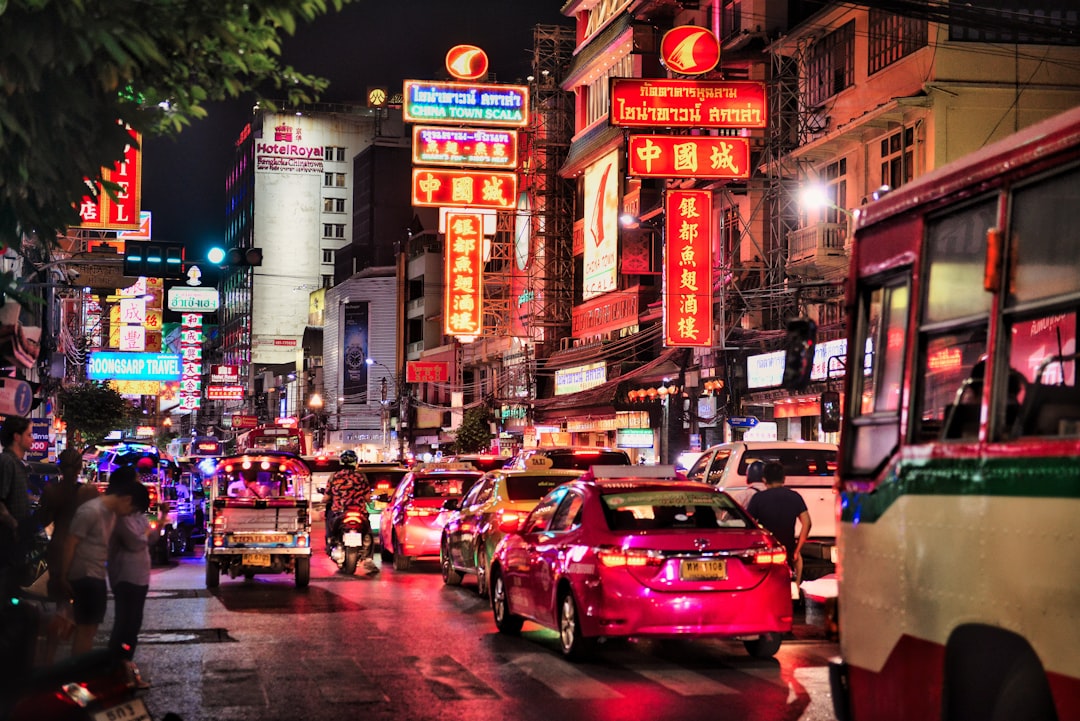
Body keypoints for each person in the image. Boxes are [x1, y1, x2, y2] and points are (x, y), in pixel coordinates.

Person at [58, 467, 148, 655]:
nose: (128, 514)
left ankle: (80, 669)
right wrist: (63, 576)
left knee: (88, 630)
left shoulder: (111, 513)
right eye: (131, 509)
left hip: (96, 575)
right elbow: (70, 542)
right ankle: (78, 670)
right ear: (127, 499)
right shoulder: (91, 510)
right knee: (85, 630)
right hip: (85, 575)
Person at [36, 448, 100, 663]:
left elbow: (43, 521)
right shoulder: (88, 492)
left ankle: (48, 659)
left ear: (59, 468)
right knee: (82, 612)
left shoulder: (52, 491)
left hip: (58, 548)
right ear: (80, 467)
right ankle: (76, 661)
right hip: (81, 553)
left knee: (62, 604)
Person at [107, 475, 151, 687]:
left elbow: (148, 537)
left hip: (141, 576)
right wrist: (145, 535)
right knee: (124, 624)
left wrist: (147, 533)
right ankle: (116, 671)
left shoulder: (137, 515)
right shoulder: (121, 516)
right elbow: (135, 542)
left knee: (133, 625)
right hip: (125, 576)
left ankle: (125, 669)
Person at [745, 461, 812, 585]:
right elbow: (807, 523)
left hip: (767, 549)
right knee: (798, 559)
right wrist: (797, 549)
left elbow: (749, 524)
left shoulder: (758, 498)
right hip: (788, 548)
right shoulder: (794, 496)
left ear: (764, 480)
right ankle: (796, 588)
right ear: (784, 479)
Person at [324, 449, 377, 574]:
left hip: (340, 512)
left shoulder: (334, 477)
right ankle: (369, 559)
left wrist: (326, 499)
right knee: (368, 533)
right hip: (359, 512)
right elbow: (367, 497)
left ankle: (330, 542)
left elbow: (326, 497)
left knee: (330, 527)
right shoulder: (361, 477)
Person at [0, 417, 34, 597]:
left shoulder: (18, 464)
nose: (33, 439)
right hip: (8, 541)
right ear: (16, 437)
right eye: (29, 435)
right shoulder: (7, 462)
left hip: (18, 541)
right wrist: (14, 525)